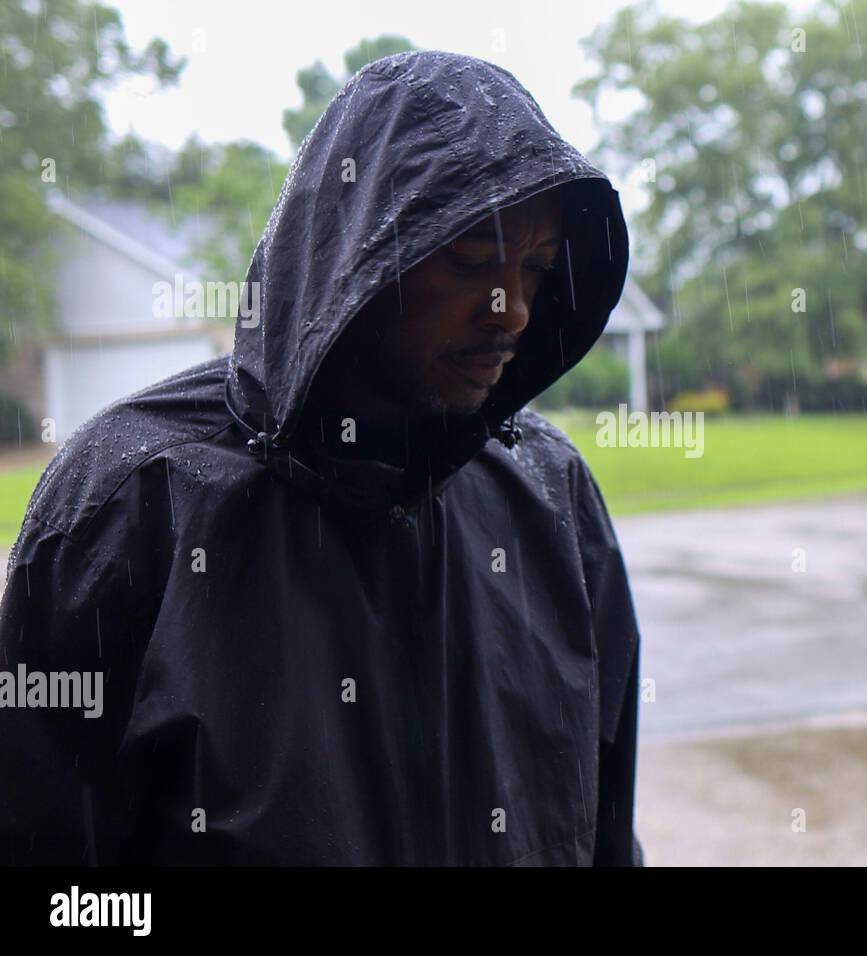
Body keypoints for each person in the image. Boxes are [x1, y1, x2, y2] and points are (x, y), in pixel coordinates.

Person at [0, 50, 645, 866]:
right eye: (472, 261)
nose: (512, 309)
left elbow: (604, 832)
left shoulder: (555, 498)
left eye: (538, 267)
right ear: (361, 257)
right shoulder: (133, 499)